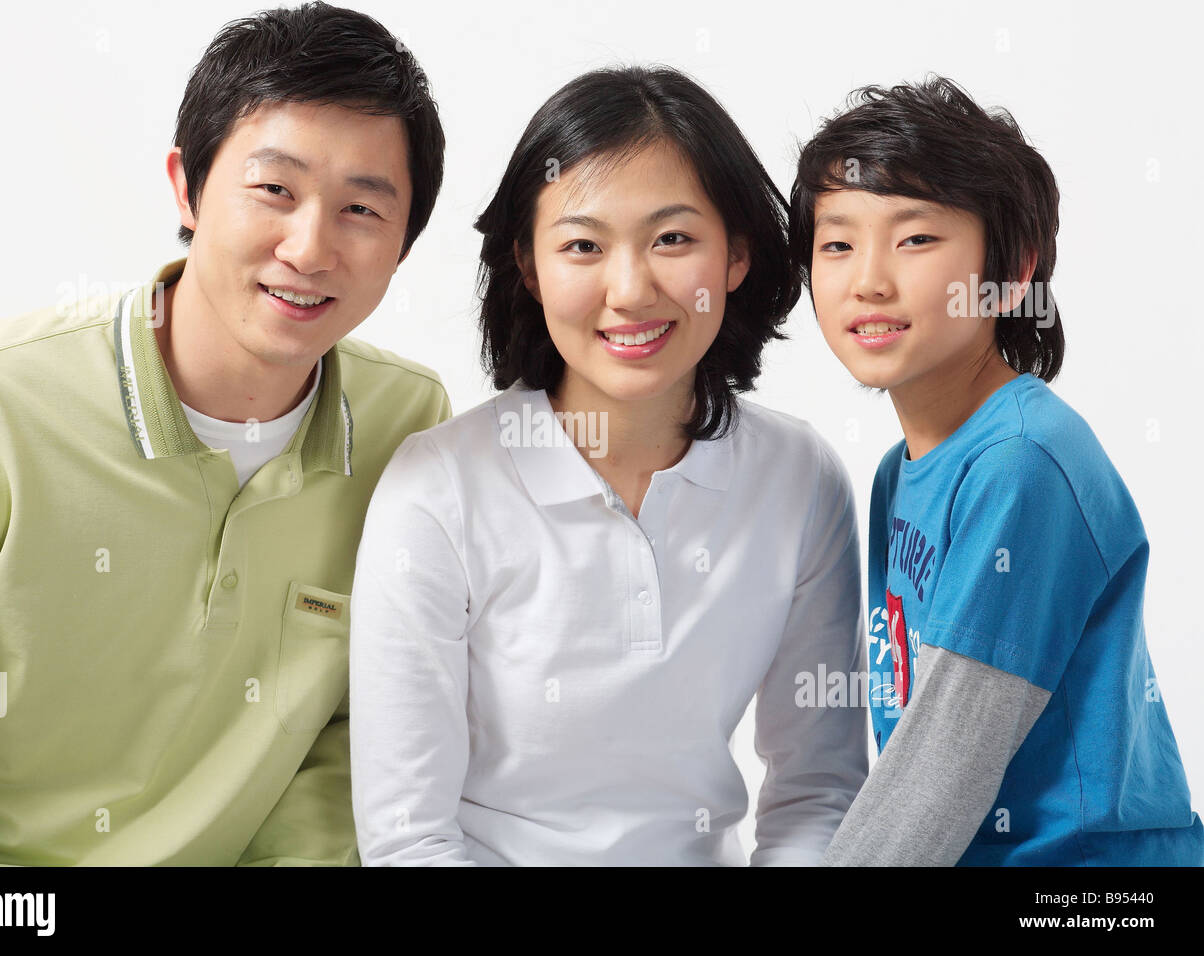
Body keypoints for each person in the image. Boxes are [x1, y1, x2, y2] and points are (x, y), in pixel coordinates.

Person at [0, 3, 450, 865]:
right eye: (274, 189)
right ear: (186, 188)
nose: (309, 247)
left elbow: (357, 729)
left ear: (404, 246)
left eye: (362, 209)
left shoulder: (405, 428)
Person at [349, 65, 867, 866]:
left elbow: (818, 793)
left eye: (672, 239)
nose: (629, 291)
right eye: (583, 245)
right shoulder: (438, 489)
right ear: (528, 264)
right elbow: (408, 839)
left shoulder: (800, 478)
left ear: (736, 255)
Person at [790, 75, 1204, 865]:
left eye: (914, 239)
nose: (869, 278)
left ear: (1011, 269)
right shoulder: (898, 472)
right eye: (838, 243)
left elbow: (942, 766)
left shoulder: (1022, 462)